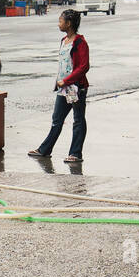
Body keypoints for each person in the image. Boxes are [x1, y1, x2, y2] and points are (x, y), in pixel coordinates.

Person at [28, 9, 89, 164]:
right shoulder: (63, 40)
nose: (58, 24)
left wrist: (67, 80)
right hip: (63, 88)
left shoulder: (80, 42)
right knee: (57, 119)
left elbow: (83, 67)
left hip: (76, 88)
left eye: (60, 21)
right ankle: (45, 149)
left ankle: (75, 154)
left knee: (78, 120)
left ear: (69, 23)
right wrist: (61, 82)